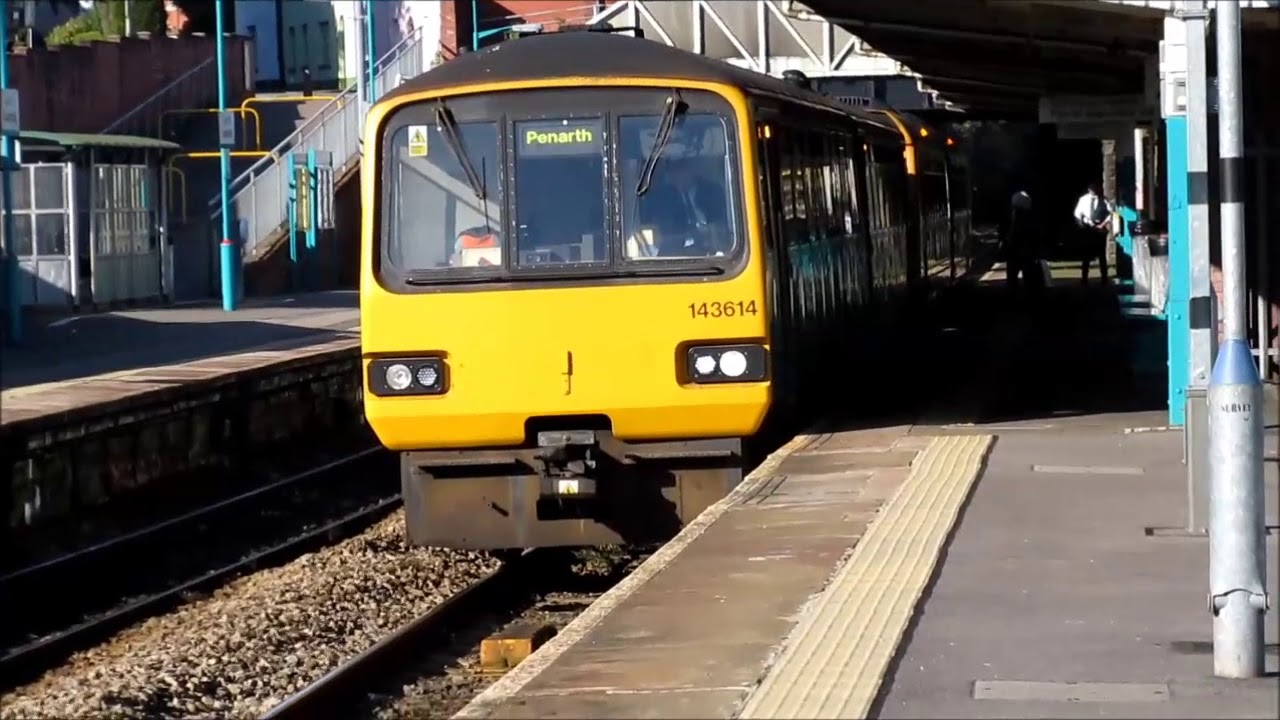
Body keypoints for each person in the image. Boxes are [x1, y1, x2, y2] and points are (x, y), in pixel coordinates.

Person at [1072, 182, 1112, 284]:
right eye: (1092, 189)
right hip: (1088, 229)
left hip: (1100, 228)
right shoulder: (1083, 199)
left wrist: (1103, 224)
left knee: (1101, 254)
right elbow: (1077, 213)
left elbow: (1110, 213)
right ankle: (1084, 277)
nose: (1094, 191)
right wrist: (1082, 224)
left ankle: (1104, 277)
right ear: (1089, 190)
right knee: (1086, 254)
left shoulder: (1104, 199)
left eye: (1095, 189)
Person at [1004, 189, 1041, 292]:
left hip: (1016, 250)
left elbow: (1011, 234)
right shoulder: (1030, 218)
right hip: (1026, 251)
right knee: (1028, 277)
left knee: (1012, 278)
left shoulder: (1014, 217)